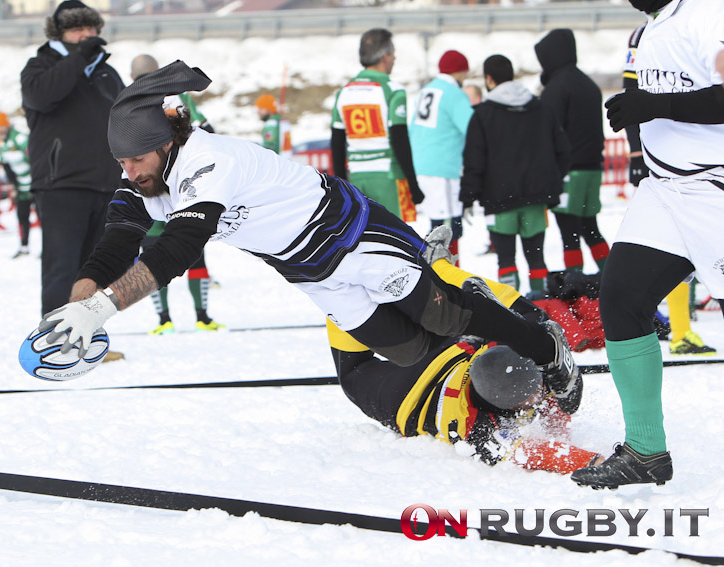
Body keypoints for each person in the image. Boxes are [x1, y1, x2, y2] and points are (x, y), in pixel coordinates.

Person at [36, 60, 580, 414]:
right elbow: (120, 237)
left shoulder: (209, 162)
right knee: (407, 348)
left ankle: (543, 345)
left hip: (353, 234)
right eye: (121, 162)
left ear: (164, 143)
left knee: (444, 315)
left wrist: (104, 308)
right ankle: (487, 365)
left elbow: (176, 249)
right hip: (307, 268)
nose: (129, 172)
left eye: (135, 159)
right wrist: (79, 303)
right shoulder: (147, 171)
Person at [571, 0, 724, 490]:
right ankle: (645, 451)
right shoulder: (649, 29)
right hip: (663, 191)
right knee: (620, 299)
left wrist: (657, 105)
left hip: (716, 191)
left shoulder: (711, 12)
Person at [330, 250, 600, 475]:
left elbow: (540, 442)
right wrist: (593, 460)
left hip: (407, 392)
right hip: (443, 365)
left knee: (353, 316)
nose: (541, 392)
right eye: (537, 391)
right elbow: (537, 452)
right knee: (531, 321)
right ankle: (432, 272)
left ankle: (432, 269)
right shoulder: (481, 426)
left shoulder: (483, 404)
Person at [20, 0, 125, 317]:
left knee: (97, 271)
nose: (87, 35)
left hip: (106, 183)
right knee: (61, 268)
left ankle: (88, 340)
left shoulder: (106, 73)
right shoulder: (40, 67)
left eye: (92, 28)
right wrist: (80, 58)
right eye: (78, 29)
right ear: (60, 33)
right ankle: (55, 344)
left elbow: (126, 120)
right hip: (61, 184)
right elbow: (42, 96)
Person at [617, 23, 716, 358]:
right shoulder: (642, 34)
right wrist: (634, 151)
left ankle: (683, 326)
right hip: (664, 166)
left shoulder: (704, 20)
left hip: (711, 163)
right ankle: (681, 330)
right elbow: (630, 94)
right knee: (674, 251)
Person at [460, 55, 570, 298]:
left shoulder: (483, 115)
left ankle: (511, 309)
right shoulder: (541, 108)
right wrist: (550, 184)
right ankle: (542, 307)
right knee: (536, 256)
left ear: (489, 79)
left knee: (505, 258)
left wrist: (468, 197)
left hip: (499, 199)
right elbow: (562, 150)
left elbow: (474, 160)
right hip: (535, 198)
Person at [131, 53, 224, 334]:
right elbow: (209, 131)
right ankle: (202, 317)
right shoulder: (178, 98)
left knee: (151, 254)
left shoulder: (127, 104)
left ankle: (164, 320)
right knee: (192, 248)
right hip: (184, 185)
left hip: (148, 187)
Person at [535, 28, 609, 274]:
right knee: (591, 228)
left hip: (569, 173)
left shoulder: (556, 88)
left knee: (569, 235)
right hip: (592, 170)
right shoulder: (588, 84)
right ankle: (610, 278)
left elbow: (547, 134)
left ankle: (576, 285)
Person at [330, 28, 424, 222]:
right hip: (388, 176)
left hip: (356, 177)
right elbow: (400, 139)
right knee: (397, 238)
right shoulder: (392, 90)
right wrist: (413, 185)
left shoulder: (343, 92)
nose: (394, 59)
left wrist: (341, 184)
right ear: (385, 56)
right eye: (393, 54)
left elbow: (337, 143)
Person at [409, 49, 474, 266]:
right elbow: (472, 129)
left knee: (437, 225)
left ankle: (440, 277)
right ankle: (448, 279)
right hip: (444, 167)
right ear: (460, 72)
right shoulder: (454, 94)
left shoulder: (425, 91)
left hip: (422, 166)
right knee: (448, 228)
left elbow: (412, 130)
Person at [0, 112, 34, 259]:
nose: (0, 130)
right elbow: (6, 165)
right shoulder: (0, 143)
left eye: (2, 126)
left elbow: (34, 158)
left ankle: (48, 248)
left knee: (43, 216)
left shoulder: (19, 138)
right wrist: (13, 184)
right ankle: (24, 246)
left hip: (35, 182)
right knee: (22, 216)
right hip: (21, 185)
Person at [255, 94, 292, 158]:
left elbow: (269, 147)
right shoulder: (282, 121)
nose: (258, 112)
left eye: (261, 109)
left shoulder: (271, 124)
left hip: (277, 163)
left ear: (269, 109)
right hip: (286, 162)